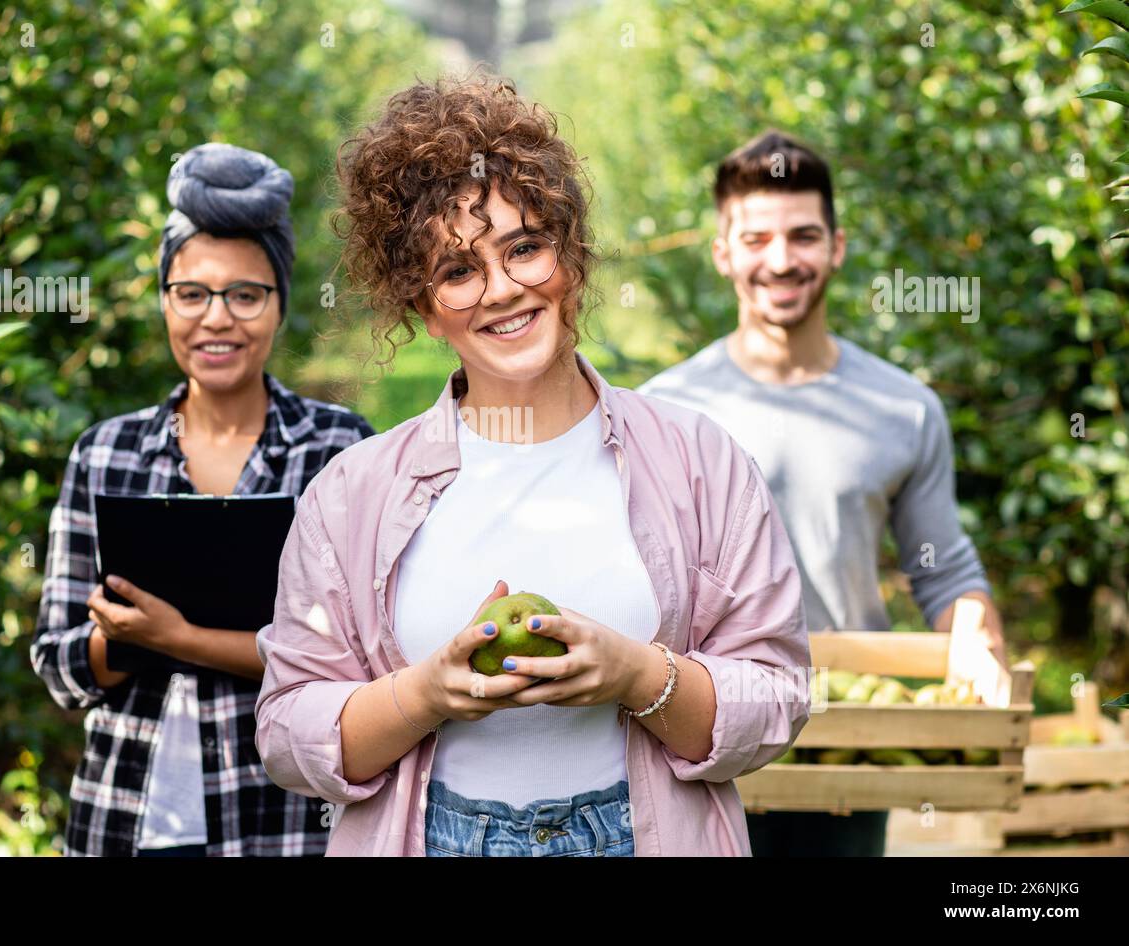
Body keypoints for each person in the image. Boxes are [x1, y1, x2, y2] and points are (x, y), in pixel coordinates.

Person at [253, 76, 810, 857]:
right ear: (422, 305)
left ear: (570, 253)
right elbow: (285, 730)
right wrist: (424, 694)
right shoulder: (351, 496)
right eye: (458, 271)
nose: (503, 289)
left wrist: (639, 677)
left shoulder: (701, 462)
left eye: (524, 248)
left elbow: (778, 696)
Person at [638, 130, 1007, 856]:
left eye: (803, 236)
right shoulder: (664, 410)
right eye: (757, 238)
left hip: (847, 747)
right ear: (723, 253)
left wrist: (977, 635)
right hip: (692, 744)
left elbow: (946, 572)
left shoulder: (902, 409)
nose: (781, 260)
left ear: (836, 246)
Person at [31, 143, 375, 857]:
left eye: (245, 294)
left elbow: (361, 663)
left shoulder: (339, 452)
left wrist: (175, 638)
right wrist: (116, 636)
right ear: (165, 301)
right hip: (124, 816)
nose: (216, 319)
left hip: (279, 823)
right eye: (191, 293)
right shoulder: (107, 454)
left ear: (280, 304)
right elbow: (59, 667)